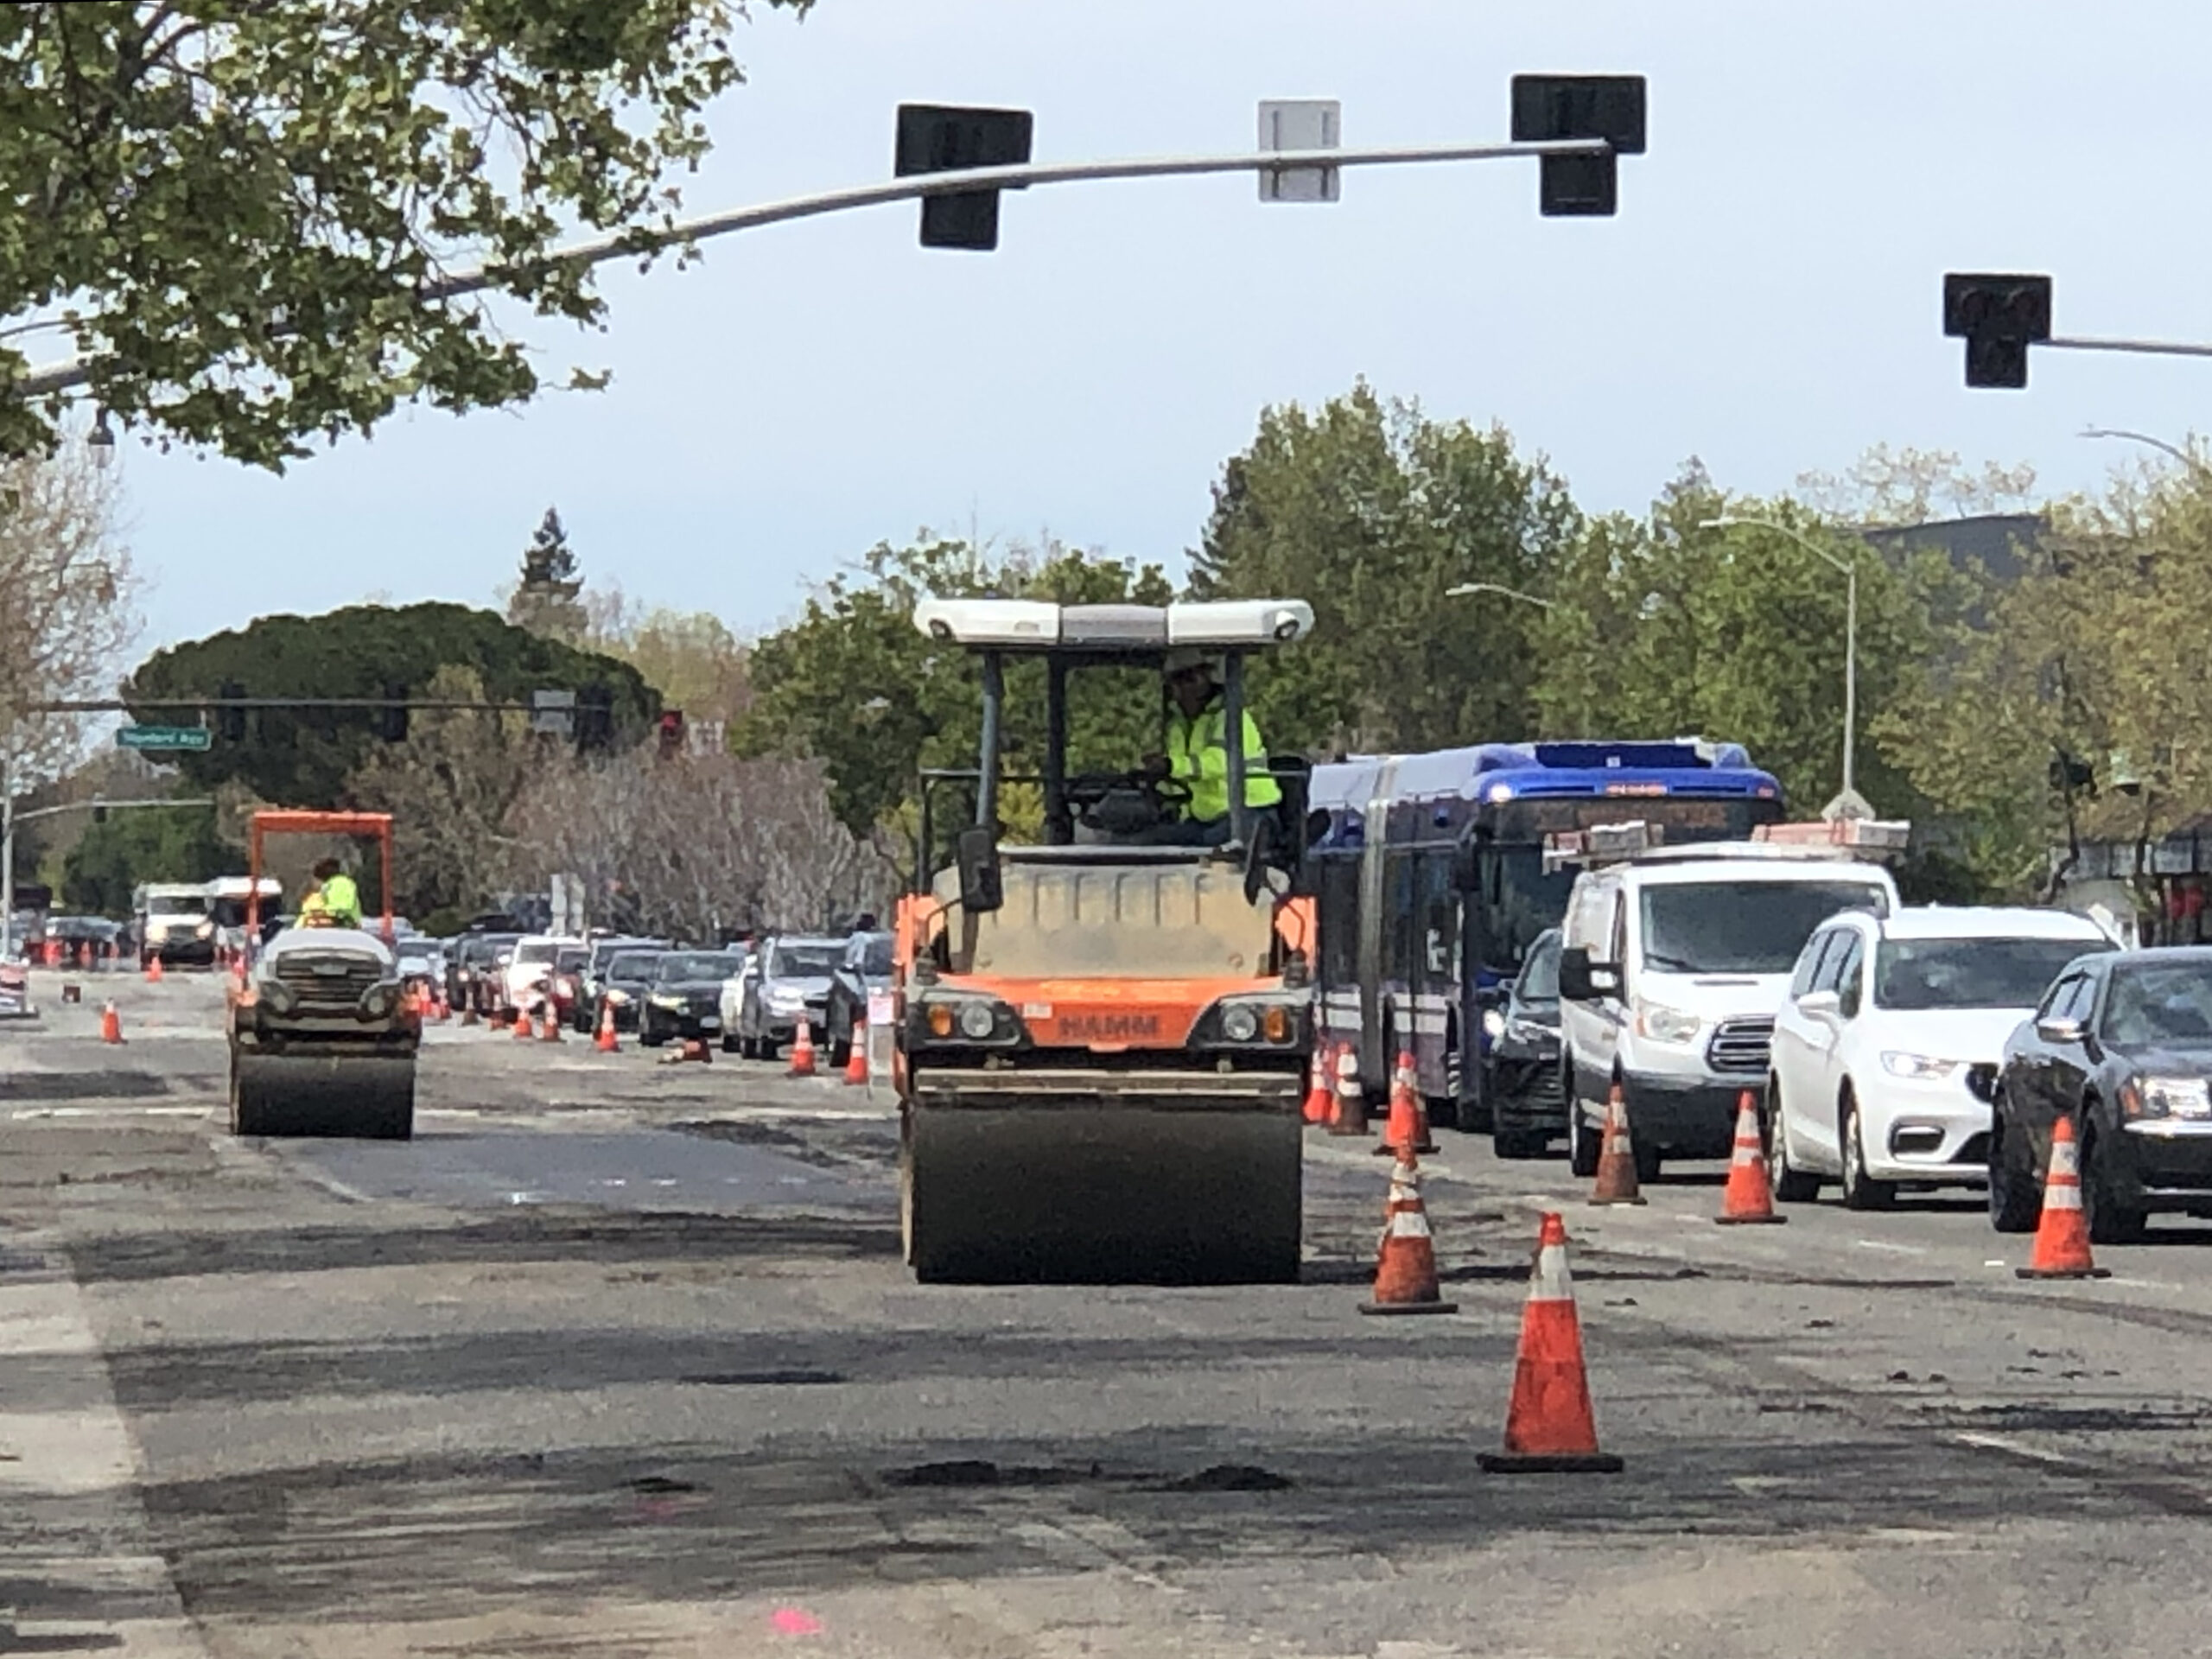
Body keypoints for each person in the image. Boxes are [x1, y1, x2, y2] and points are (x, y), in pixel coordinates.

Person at [1138, 649, 1282, 847]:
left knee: (1211, 846)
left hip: (1250, 811)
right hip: (1205, 817)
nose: (1183, 688)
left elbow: (1219, 762)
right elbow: (1176, 776)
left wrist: (1169, 766)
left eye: (1191, 678)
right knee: (1154, 840)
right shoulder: (1178, 725)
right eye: (1177, 681)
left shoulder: (1229, 716)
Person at [312, 858, 362, 929]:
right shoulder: (331, 885)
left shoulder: (340, 883)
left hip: (345, 925)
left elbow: (343, 905)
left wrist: (322, 911)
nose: (313, 882)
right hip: (339, 924)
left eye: (315, 879)